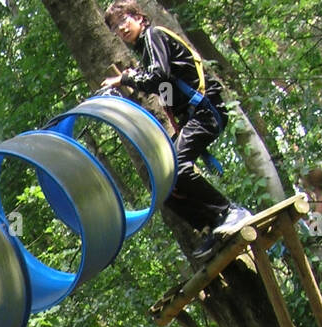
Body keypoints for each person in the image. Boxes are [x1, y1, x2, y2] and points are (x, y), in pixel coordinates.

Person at [101, 1, 251, 259]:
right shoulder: (146, 52)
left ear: (138, 17)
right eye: (115, 27)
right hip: (194, 117)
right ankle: (212, 225)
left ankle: (230, 211)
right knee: (163, 183)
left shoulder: (154, 35)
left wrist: (125, 78)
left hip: (206, 111)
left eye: (124, 20)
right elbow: (156, 78)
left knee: (178, 166)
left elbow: (158, 76)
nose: (121, 28)